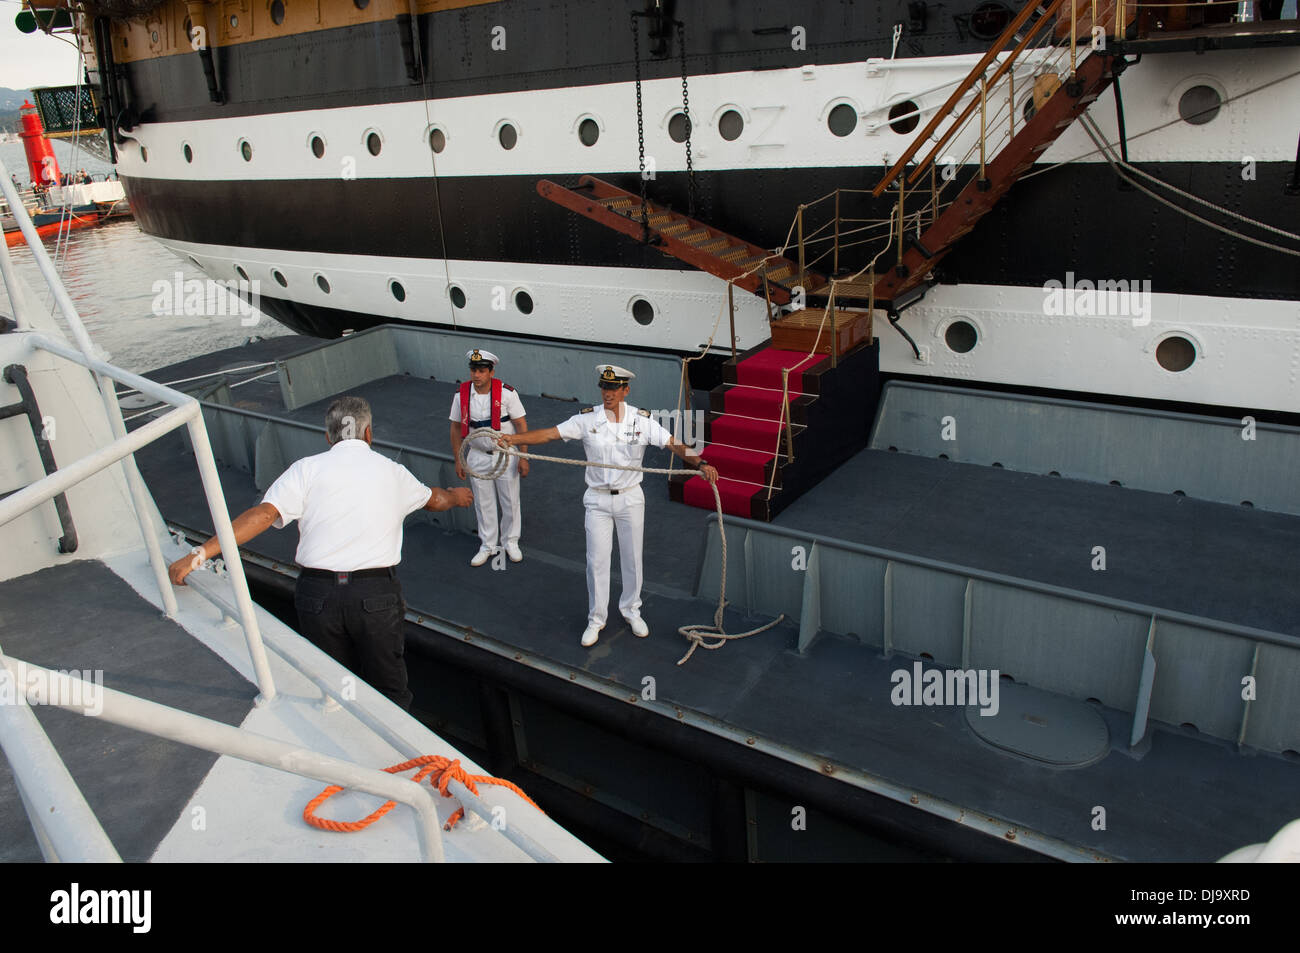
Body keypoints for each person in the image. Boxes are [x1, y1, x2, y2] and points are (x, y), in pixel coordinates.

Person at [167, 395, 472, 710]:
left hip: (318, 597)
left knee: (337, 686)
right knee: (389, 690)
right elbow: (434, 499)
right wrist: (455, 496)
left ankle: (346, 722)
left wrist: (199, 554)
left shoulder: (306, 470)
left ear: (329, 437)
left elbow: (263, 516)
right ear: (369, 434)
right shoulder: (391, 472)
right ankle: (388, 751)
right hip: (374, 596)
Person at [499, 364, 718, 647]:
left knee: (632, 558)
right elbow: (551, 434)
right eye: (604, 387)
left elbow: (673, 444)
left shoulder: (642, 420)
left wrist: (700, 462)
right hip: (598, 499)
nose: (608, 393)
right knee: (596, 561)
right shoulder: (587, 419)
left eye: (614, 388)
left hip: (630, 497)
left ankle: (631, 610)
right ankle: (596, 619)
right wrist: (513, 439)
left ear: (625, 390)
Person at [448, 348, 529, 566]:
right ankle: (488, 545)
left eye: (482, 370)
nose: (476, 375)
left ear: (491, 372)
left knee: (510, 500)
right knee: (483, 503)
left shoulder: (507, 394)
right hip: (477, 455)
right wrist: (459, 458)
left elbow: (521, 425)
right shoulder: (461, 396)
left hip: (505, 455)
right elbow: (456, 428)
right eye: (474, 370)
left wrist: (523, 456)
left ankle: (511, 541)